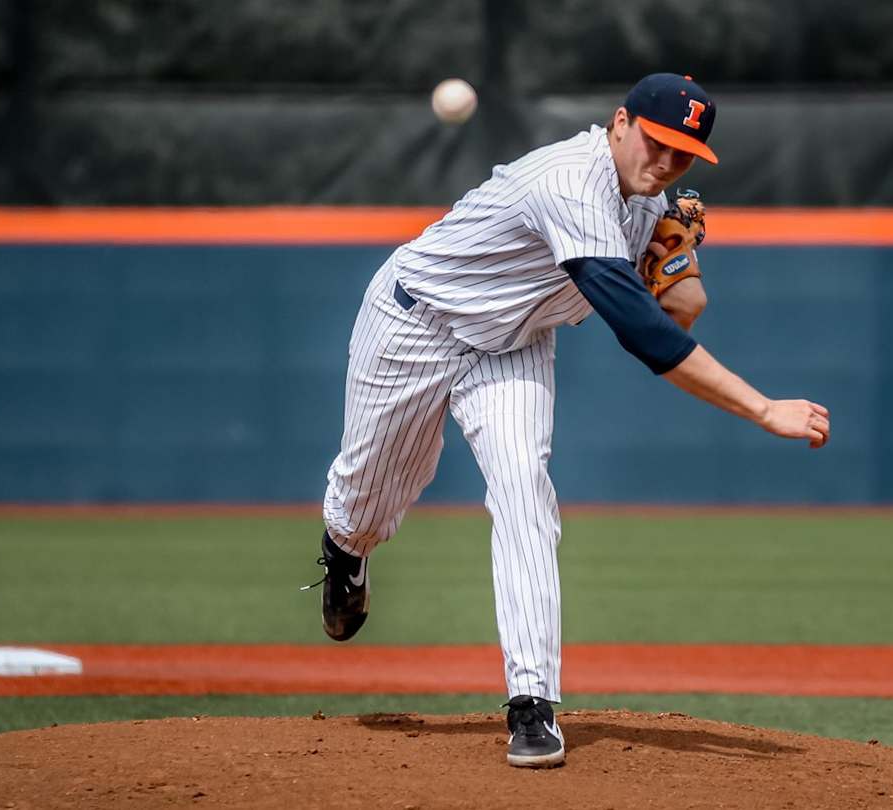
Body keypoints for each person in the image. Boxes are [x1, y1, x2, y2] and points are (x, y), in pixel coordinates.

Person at [307, 73, 830, 769]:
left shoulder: (649, 200)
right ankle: (347, 550)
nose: (667, 164)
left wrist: (679, 260)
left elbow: (678, 310)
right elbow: (647, 337)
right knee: (369, 499)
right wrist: (763, 407)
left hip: (515, 346)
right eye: (658, 142)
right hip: (415, 322)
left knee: (526, 493)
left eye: (684, 155)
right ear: (620, 123)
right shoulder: (569, 181)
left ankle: (532, 703)